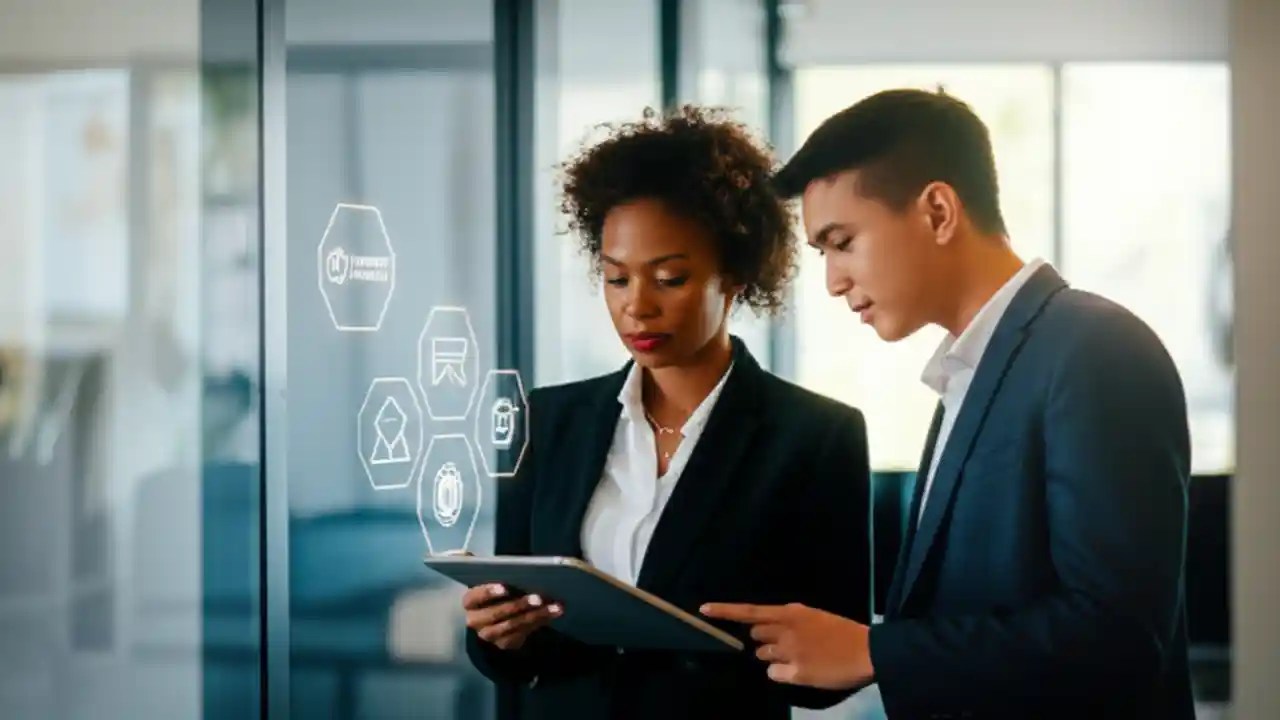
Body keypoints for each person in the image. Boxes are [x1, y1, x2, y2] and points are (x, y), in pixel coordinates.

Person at [702, 89, 1193, 719]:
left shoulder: (1096, 348)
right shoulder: (972, 371)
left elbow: (1117, 639)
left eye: (842, 241)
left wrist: (876, 650)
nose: (832, 282)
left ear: (938, 211)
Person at [460, 106, 871, 719]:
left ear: (732, 277)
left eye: (670, 279)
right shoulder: (549, 420)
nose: (637, 308)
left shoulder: (815, 436)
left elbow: (834, 666)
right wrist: (497, 632)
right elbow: (512, 648)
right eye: (616, 278)